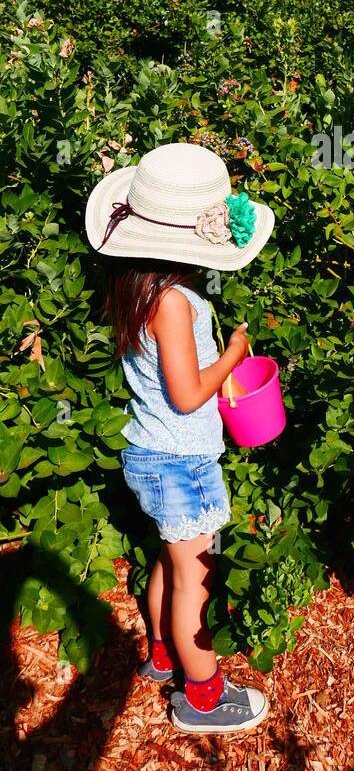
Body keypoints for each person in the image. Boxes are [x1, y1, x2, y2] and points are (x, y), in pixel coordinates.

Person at [84, 141, 275, 734]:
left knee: (171, 561)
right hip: (180, 463)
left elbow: (173, 383)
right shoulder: (172, 302)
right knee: (197, 579)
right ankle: (203, 696)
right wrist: (234, 356)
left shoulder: (139, 289)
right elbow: (189, 394)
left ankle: (162, 653)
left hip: (152, 453)